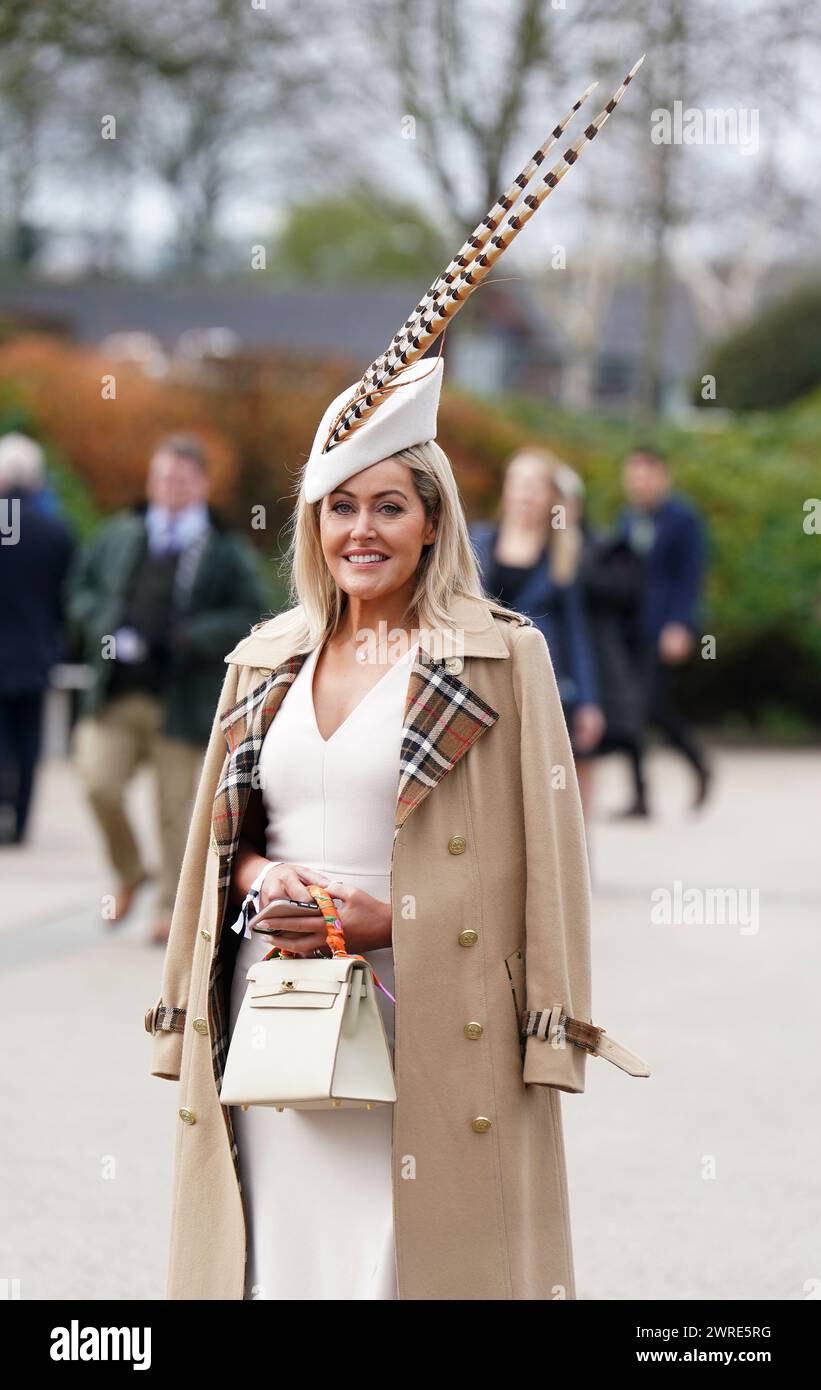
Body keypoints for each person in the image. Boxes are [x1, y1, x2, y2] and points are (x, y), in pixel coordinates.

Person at [145, 76, 652, 1296]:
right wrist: (268, 882)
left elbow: (545, 865)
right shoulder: (263, 656)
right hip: (279, 1009)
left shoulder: (497, 654)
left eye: (389, 507)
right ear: (312, 525)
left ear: (431, 525)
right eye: (340, 510)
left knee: (406, 1269)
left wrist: (392, 925)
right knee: (285, 1266)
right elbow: (221, 847)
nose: (360, 531)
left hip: (433, 1013)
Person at [65, 432, 270, 943]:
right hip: (116, 692)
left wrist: (189, 638)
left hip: (182, 701)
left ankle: (167, 912)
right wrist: (101, 625)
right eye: (161, 477)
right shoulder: (120, 535)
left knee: (176, 811)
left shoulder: (225, 550)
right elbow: (80, 592)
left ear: (201, 483)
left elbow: (252, 613)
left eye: (179, 478)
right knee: (96, 783)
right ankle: (131, 870)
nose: (168, 487)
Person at [469, 447, 605, 761]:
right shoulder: (477, 541)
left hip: (540, 685)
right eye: (516, 482)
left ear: (550, 496)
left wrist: (588, 701)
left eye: (533, 485)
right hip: (482, 682)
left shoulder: (563, 554)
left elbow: (575, 632)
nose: (523, 493)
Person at [614, 445, 711, 815]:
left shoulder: (682, 519)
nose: (638, 485)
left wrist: (680, 625)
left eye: (644, 477)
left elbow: (690, 577)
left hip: (663, 628)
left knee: (651, 706)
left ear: (661, 476)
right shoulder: (627, 519)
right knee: (628, 709)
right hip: (629, 629)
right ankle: (640, 795)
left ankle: (698, 763)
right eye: (632, 478)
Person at [552, 464, 644, 818]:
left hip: (592, 660)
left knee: (583, 752)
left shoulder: (599, 546)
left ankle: (580, 852)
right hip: (554, 658)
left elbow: (627, 594)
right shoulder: (530, 550)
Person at [0, 433, 75, 844]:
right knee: (29, 743)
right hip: (35, 653)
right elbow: (66, 597)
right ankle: (21, 820)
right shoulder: (56, 530)